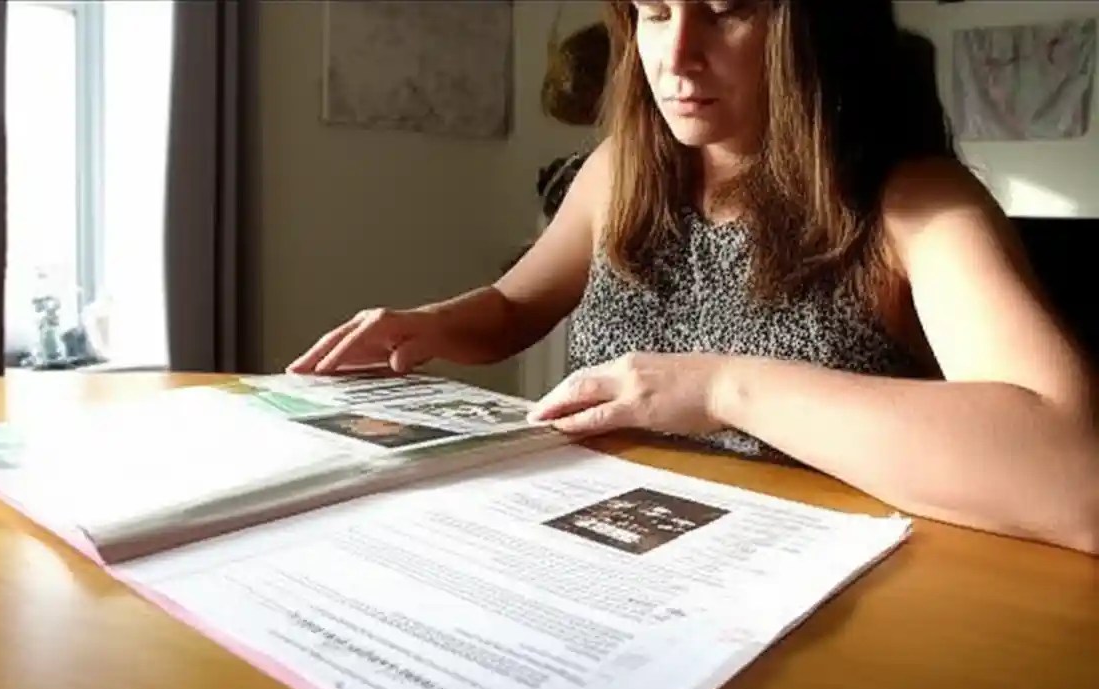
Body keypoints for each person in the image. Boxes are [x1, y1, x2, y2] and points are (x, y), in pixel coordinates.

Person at [289, 0, 1098, 555]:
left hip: (820, 597)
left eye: (727, 9)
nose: (674, 58)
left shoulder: (914, 201)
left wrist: (721, 389)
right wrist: (431, 322)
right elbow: (512, 307)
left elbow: (1074, 478)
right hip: (599, 550)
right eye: (653, 10)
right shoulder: (621, 168)